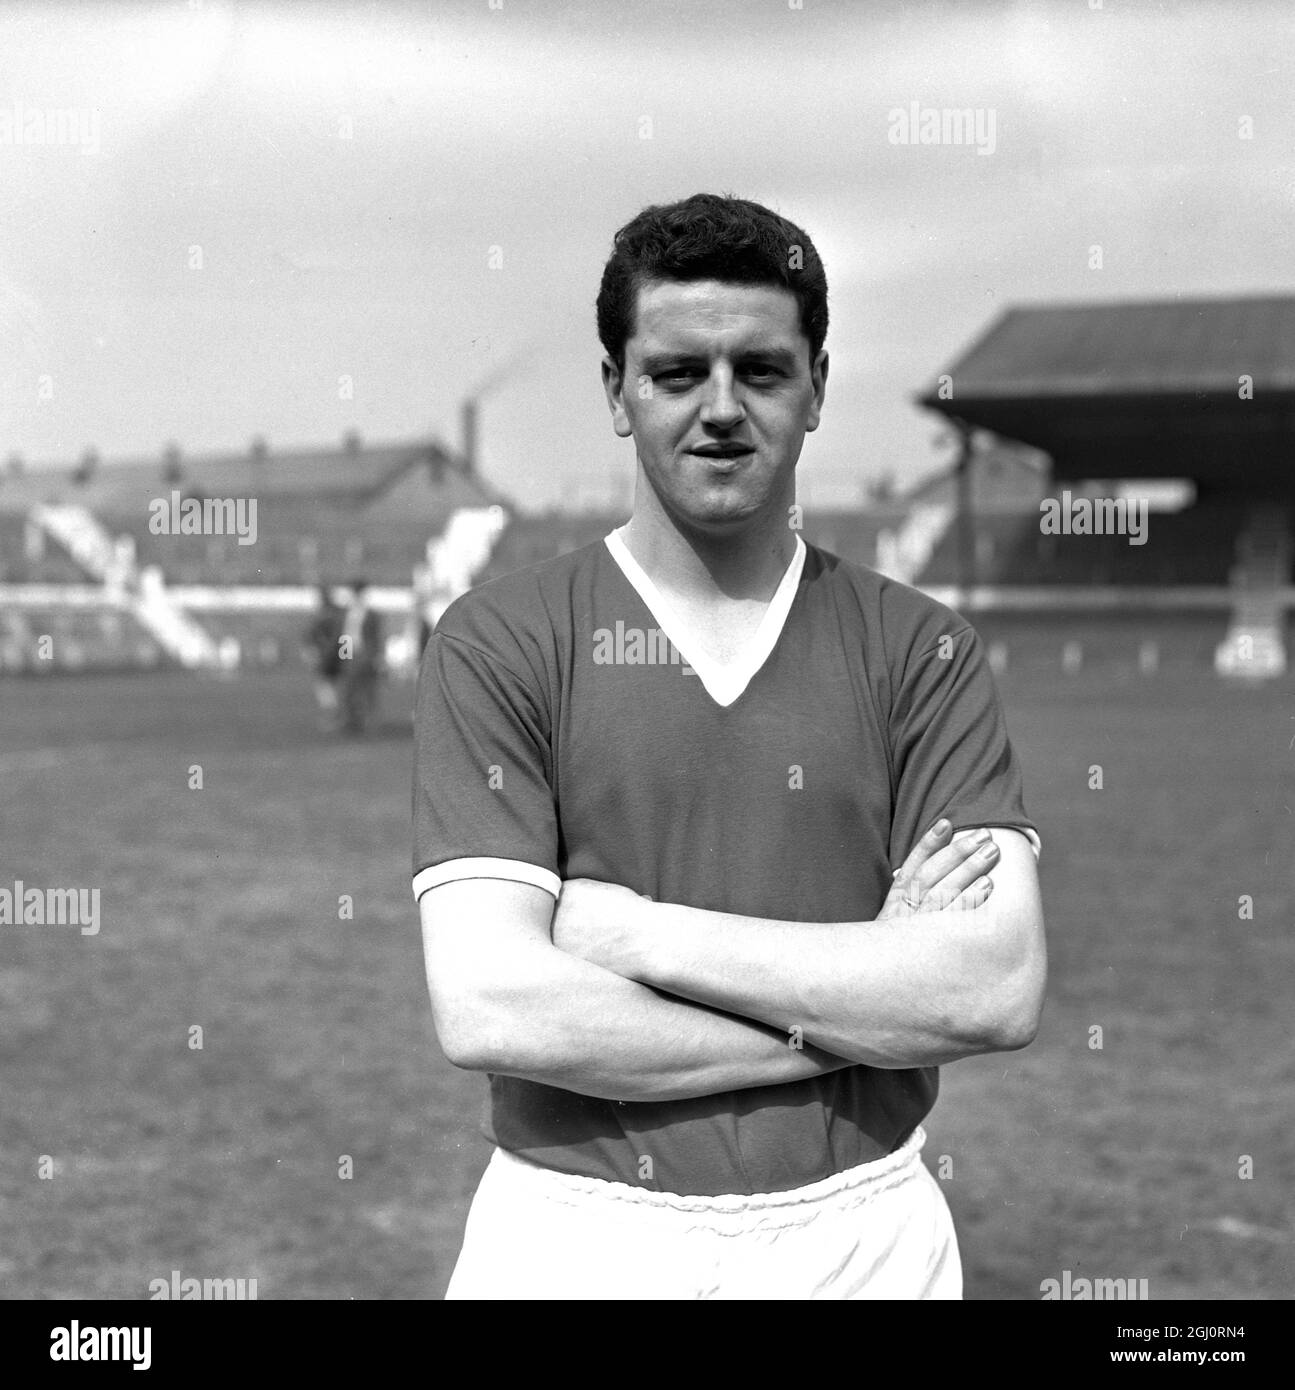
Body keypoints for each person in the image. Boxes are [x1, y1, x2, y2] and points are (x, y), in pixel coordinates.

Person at [413, 193, 1046, 1300]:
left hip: (862, 1241)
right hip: (575, 1237)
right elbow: (492, 1004)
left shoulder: (921, 651)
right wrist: (863, 1012)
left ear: (815, 386)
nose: (719, 409)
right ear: (614, 389)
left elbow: (989, 988)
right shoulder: (501, 640)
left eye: (759, 369)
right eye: (673, 373)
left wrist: (637, 934)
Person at [339, 578, 383, 733]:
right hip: (348, 651)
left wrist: (375, 656)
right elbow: (345, 634)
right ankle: (351, 721)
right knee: (349, 689)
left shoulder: (370, 614)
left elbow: (375, 637)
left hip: (364, 653)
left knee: (367, 689)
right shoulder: (347, 612)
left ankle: (368, 722)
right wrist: (343, 655)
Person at [303, 585, 344, 731]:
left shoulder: (323, 616)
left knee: (326, 686)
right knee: (333, 686)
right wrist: (346, 656)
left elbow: (313, 637)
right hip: (336, 656)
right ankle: (337, 715)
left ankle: (334, 716)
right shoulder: (339, 614)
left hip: (328, 656)